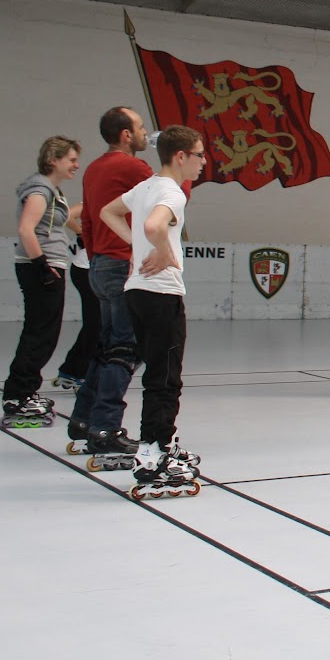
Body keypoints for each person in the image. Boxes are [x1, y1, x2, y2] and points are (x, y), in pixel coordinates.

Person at [101, 126, 207, 499]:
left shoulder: (145, 186)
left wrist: (138, 246)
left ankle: (161, 441)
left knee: (157, 373)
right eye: (199, 155)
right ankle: (152, 453)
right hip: (161, 294)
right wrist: (159, 248)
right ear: (180, 156)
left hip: (137, 293)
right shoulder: (170, 192)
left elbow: (107, 212)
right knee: (165, 378)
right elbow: (152, 224)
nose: (203, 162)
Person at [70, 107, 154, 461]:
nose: (144, 132)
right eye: (139, 127)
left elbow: (88, 217)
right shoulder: (133, 167)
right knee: (124, 349)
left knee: (106, 346)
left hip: (100, 262)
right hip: (121, 263)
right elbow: (164, 197)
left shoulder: (94, 169)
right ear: (125, 135)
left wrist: (94, 253)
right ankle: (106, 428)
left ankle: (83, 419)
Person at [0, 136, 80, 428]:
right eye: (71, 159)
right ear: (53, 160)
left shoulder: (51, 190)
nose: (76, 165)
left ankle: (23, 391)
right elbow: (26, 228)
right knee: (40, 334)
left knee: (43, 333)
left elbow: (58, 220)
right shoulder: (40, 188)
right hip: (41, 268)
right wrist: (42, 266)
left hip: (47, 265)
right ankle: (18, 396)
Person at [51, 209, 101, 416]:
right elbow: (65, 215)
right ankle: (80, 372)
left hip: (97, 267)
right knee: (96, 324)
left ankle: (71, 369)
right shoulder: (93, 200)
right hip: (87, 269)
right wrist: (82, 234)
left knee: (96, 323)